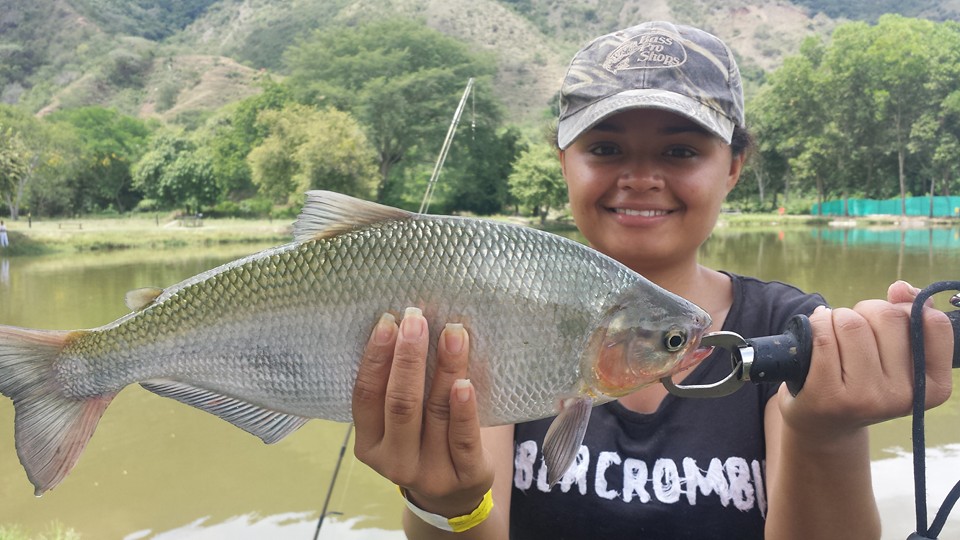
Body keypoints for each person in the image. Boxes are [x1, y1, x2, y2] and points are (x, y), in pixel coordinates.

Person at [351, 21, 955, 539]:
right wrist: (444, 506)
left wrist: (828, 431)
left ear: (734, 168)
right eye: (606, 147)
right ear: (565, 162)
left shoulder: (787, 328)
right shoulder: (499, 303)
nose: (640, 177)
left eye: (681, 152)